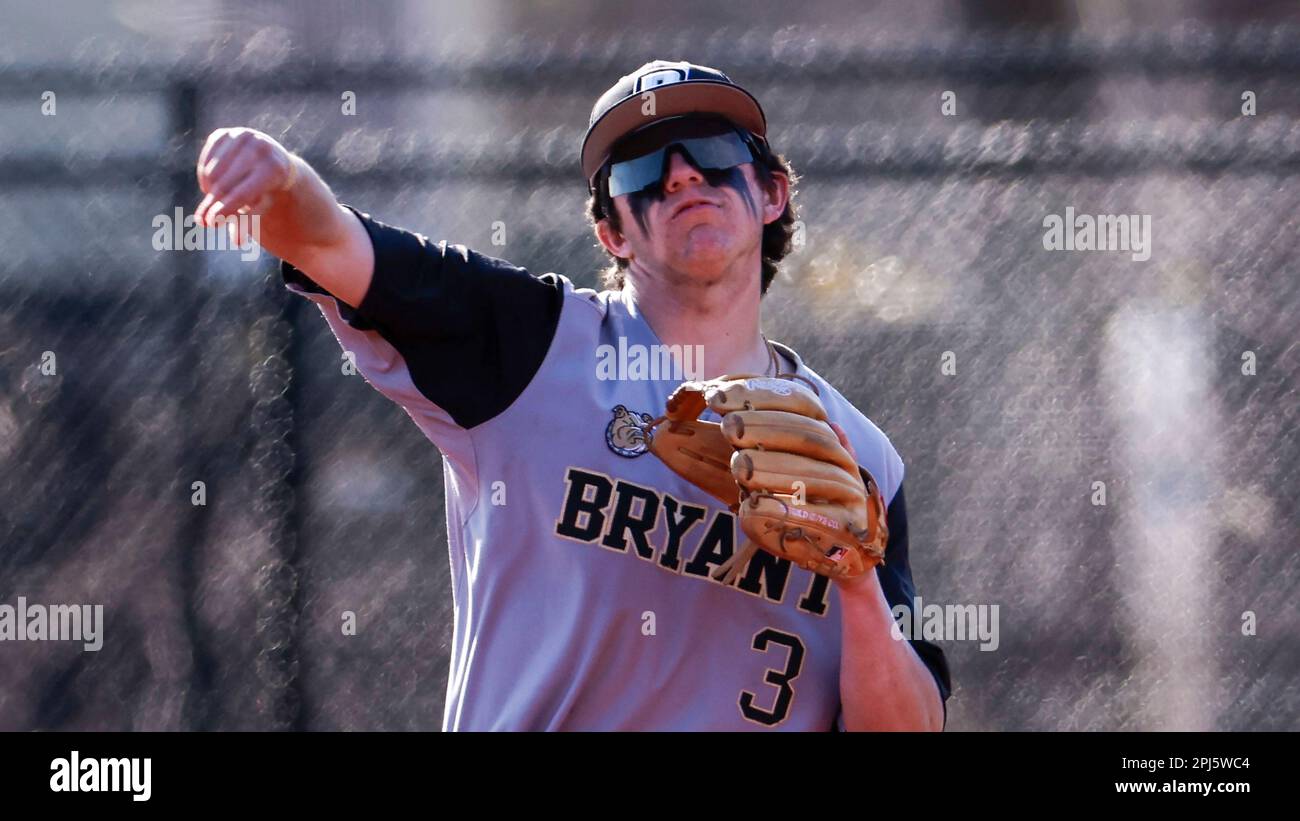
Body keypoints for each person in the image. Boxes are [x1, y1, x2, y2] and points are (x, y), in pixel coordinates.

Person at [194, 59, 951, 731]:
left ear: (773, 193)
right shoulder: (532, 345)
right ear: (611, 232)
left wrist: (856, 580)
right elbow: (334, 244)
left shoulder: (859, 454)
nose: (683, 175)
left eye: (716, 154)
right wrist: (282, 179)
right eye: (644, 170)